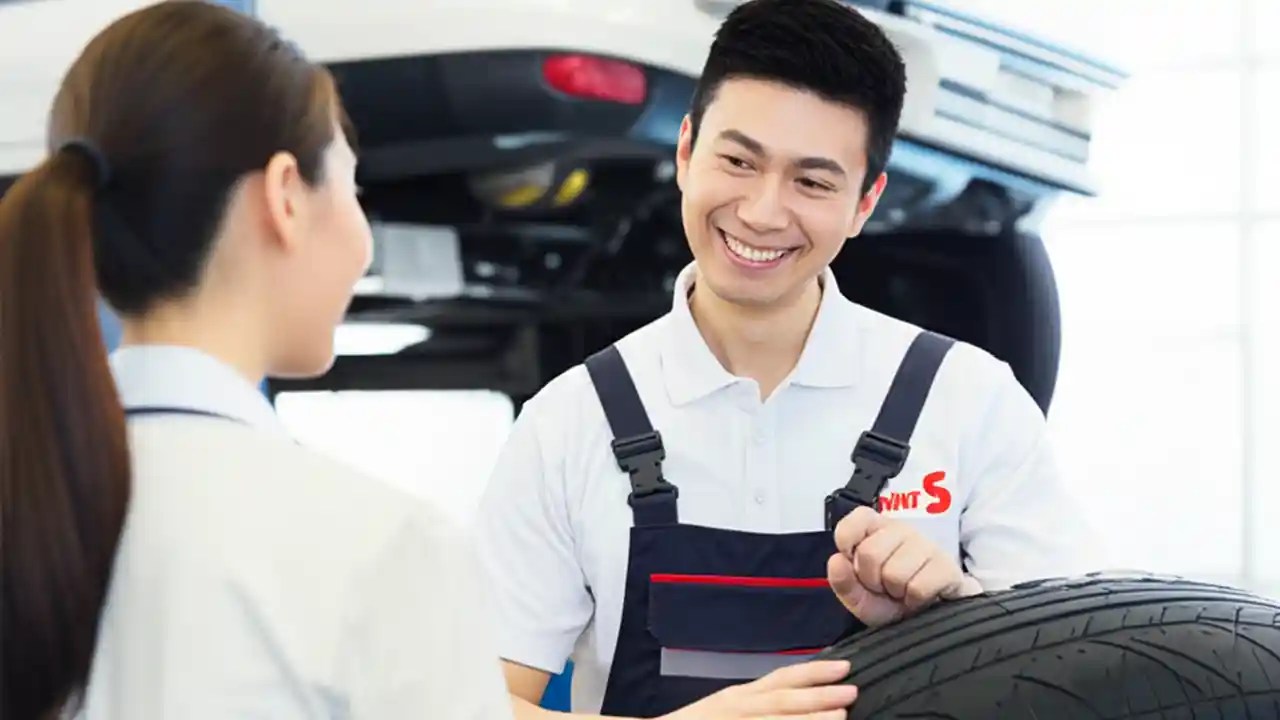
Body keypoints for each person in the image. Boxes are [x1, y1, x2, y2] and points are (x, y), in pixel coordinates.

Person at [474, 0, 1104, 717]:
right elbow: (470, 706)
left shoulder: (966, 400)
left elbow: (1082, 684)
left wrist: (956, 614)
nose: (764, 212)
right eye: (738, 161)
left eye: (812, 182)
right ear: (684, 152)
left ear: (866, 203)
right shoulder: (568, 422)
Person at [0, 3, 511, 719]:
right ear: (284, 198)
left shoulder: (30, 507)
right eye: (351, 187)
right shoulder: (383, 550)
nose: (361, 238)